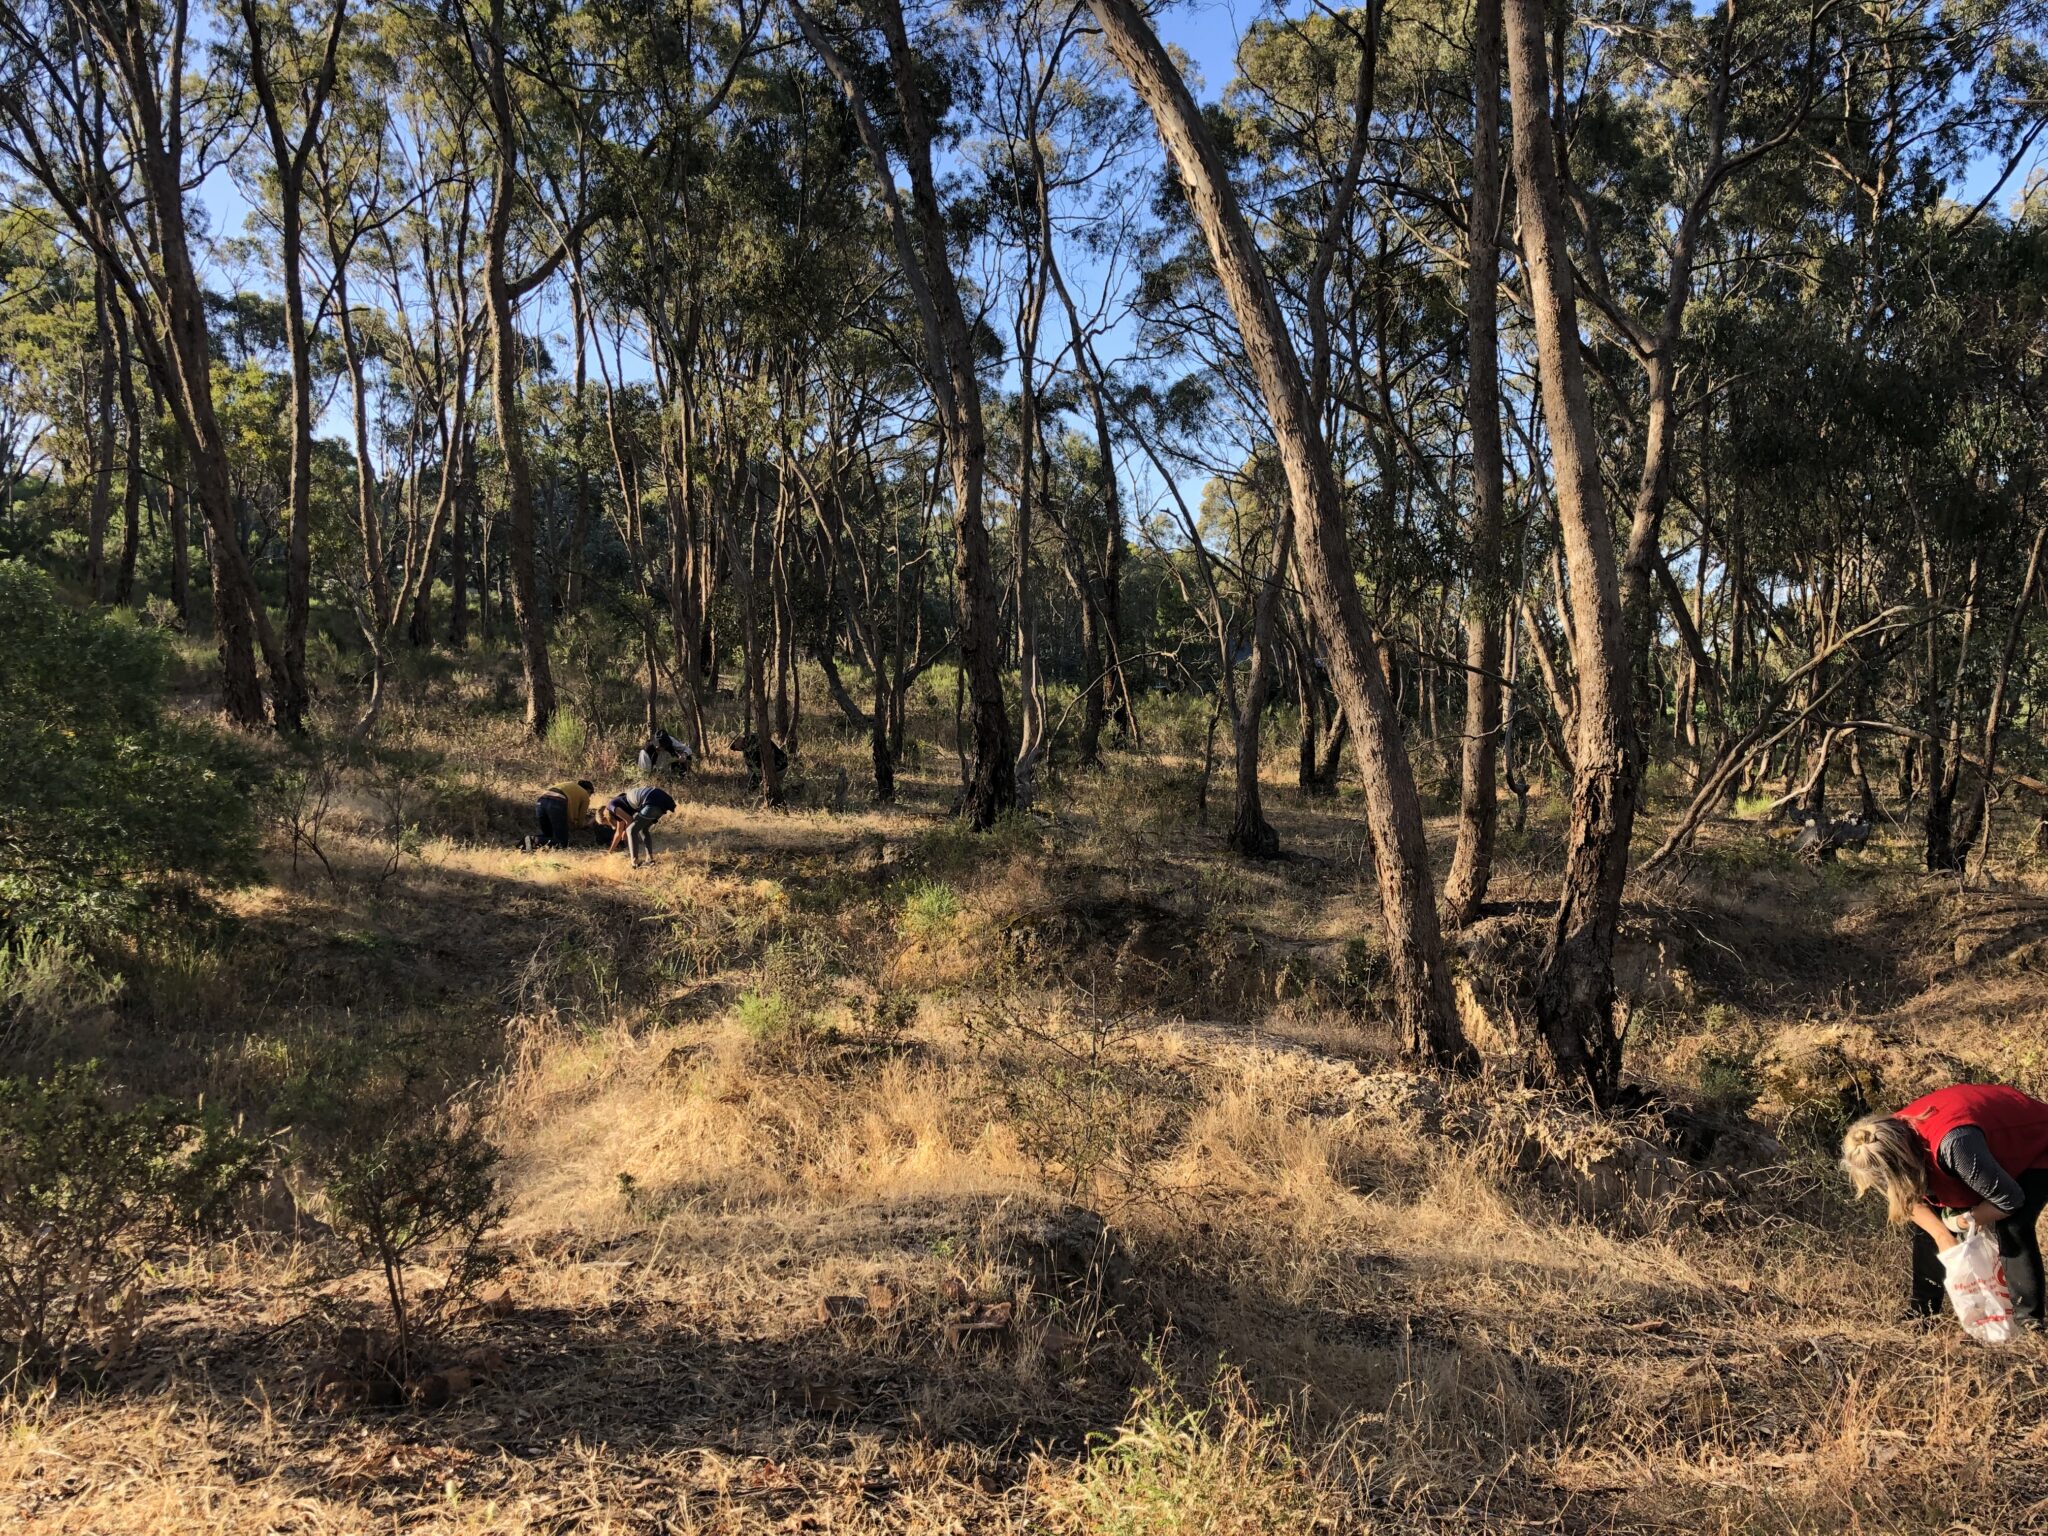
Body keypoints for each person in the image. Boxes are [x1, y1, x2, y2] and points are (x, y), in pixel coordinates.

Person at [1841, 1083, 2048, 1327]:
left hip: (2034, 1143)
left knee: (2013, 1226)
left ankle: (2029, 1321)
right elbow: (1905, 1196)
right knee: (1930, 1227)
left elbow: (2010, 1200)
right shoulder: (1878, 1139)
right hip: (1977, 1152)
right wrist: (1942, 1234)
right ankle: (1922, 1314)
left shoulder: (1954, 1145)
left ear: (1903, 1160)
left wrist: (1965, 1220)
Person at [600, 784, 678, 867]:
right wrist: (610, 852)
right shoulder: (621, 803)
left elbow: (629, 820)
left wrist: (626, 832)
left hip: (652, 800)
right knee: (643, 829)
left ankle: (634, 861)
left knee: (631, 830)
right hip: (662, 800)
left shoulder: (611, 806)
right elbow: (619, 832)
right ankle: (650, 858)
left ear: (608, 817)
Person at [531, 780, 596, 851]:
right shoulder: (585, 794)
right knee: (562, 842)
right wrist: (587, 824)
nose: (589, 797)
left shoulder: (569, 786)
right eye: (591, 794)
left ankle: (527, 841)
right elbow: (580, 823)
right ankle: (534, 840)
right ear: (588, 790)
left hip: (541, 802)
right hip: (556, 803)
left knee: (549, 836)